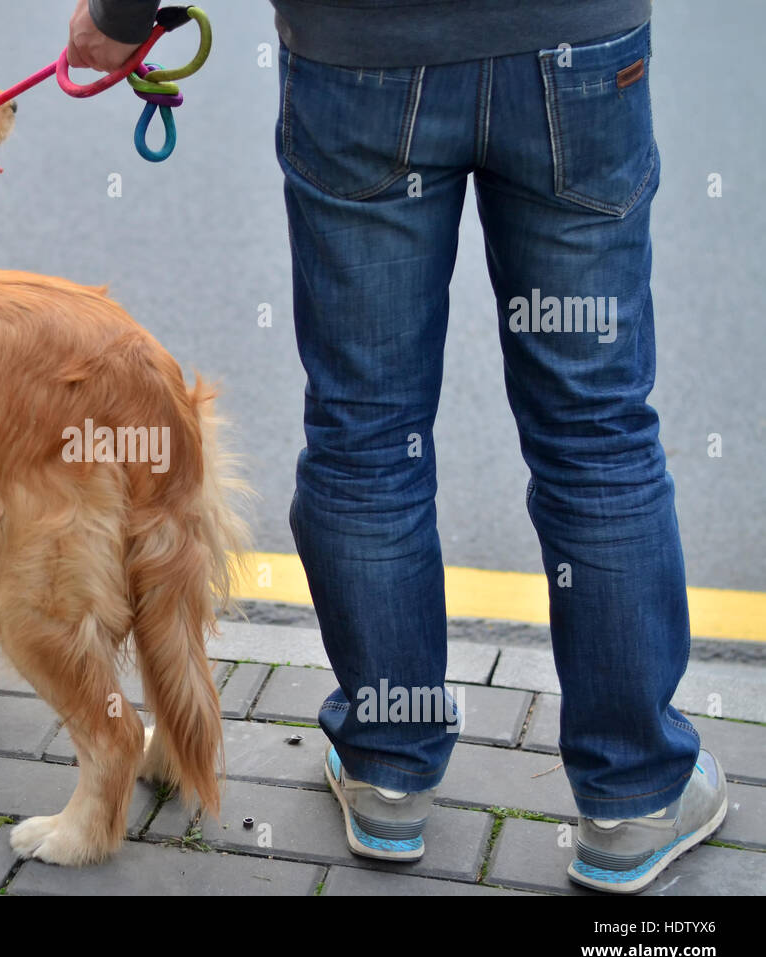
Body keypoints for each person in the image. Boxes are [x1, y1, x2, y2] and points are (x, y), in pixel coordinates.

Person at [67, 0, 728, 894]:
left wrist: (123, 13)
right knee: (596, 430)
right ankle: (633, 797)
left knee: (366, 428)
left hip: (362, 56)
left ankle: (389, 770)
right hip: (577, 45)